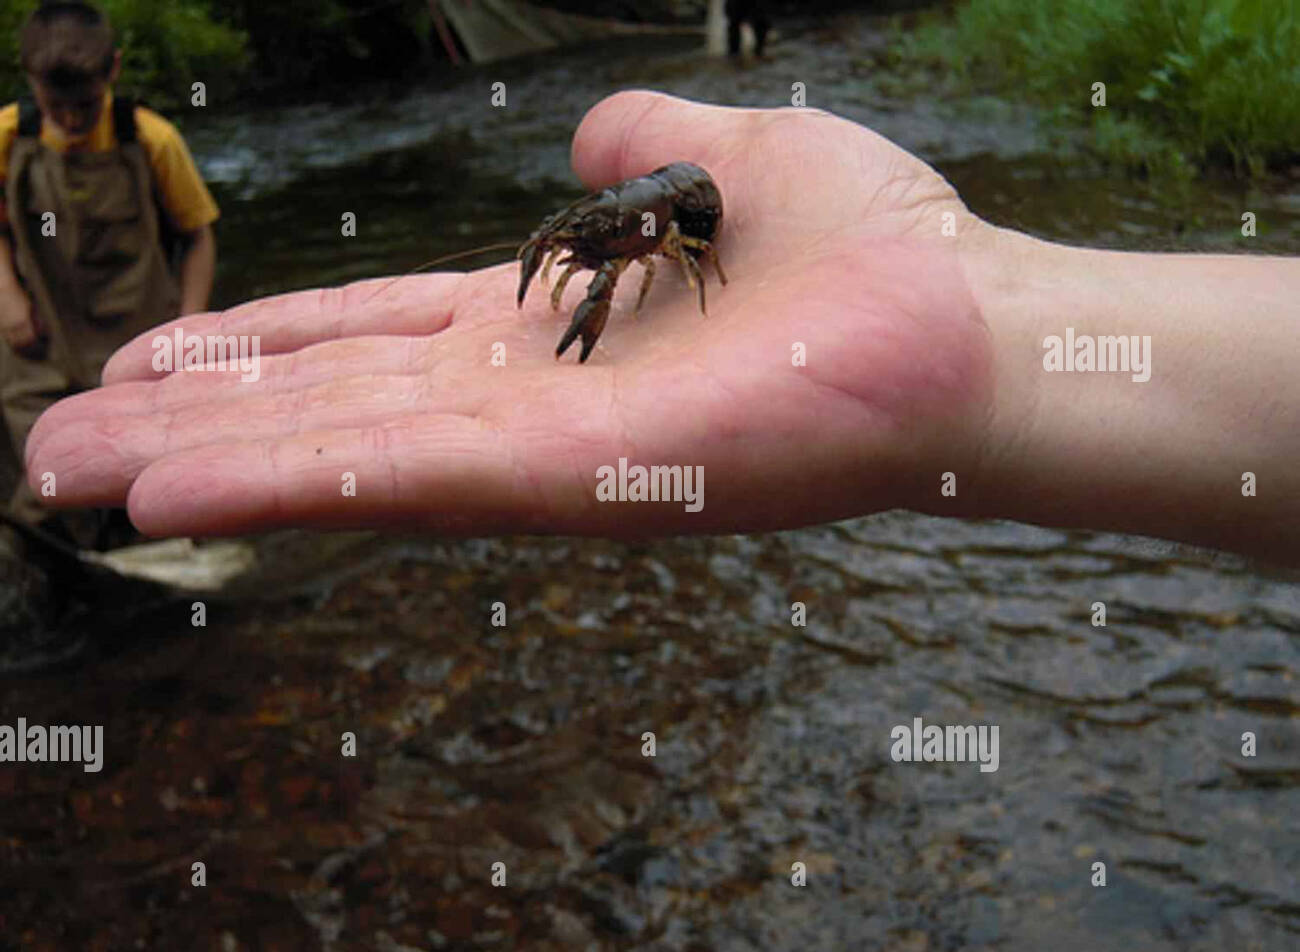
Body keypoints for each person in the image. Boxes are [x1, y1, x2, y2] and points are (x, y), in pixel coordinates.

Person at [20, 90, 1300, 567]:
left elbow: (667, 251)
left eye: (597, 240)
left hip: (691, 218)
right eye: (589, 239)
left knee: (640, 273)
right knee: (585, 266)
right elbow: (592, 253)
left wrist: (699, 249)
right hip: (657, 218)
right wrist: (575, 251)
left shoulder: (675, 225)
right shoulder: (600, 231)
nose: (580, 250)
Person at [0, 1, 218, 564]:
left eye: (85, 106)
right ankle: (54, 562)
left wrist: (188, 327)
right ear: (30, 82)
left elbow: (198, 238)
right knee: (45, 463)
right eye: (57, 107)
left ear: (113, 70)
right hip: (40, 337)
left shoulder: (152, 139)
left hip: (136, 331)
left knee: (149, 460)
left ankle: (162, 553)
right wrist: (7, 295)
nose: (72, 121)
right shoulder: (6, 137)